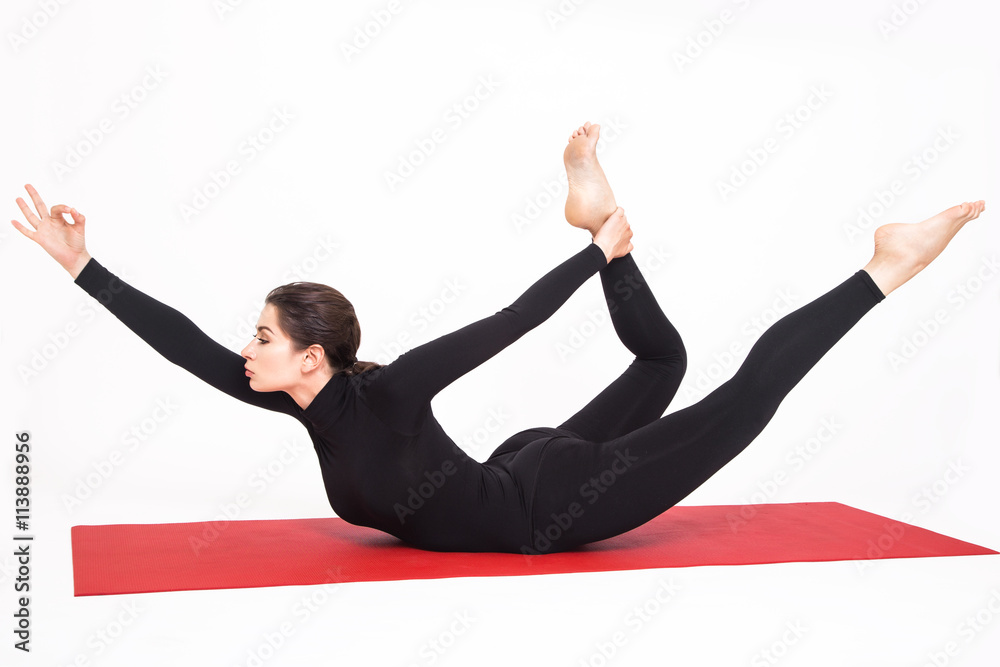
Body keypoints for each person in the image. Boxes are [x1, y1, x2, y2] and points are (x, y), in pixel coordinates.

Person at [12, 122, 986, 555]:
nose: (245, 349)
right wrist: (78, 264)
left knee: (733, 395)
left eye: (261, 336)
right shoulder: (296, 399)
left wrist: (591, 253)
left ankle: (882, 265)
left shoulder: (386, 391)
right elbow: (177, 342)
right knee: (669, 364)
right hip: (526, 473)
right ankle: (605, 228)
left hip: (551, 506)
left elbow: (512, 321)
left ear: (312, 355)